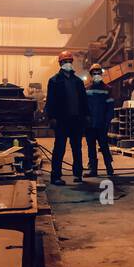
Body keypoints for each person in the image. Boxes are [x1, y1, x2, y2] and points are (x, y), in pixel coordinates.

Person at [44, 50, 88, 185]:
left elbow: (83, 101)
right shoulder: (54, 81)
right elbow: (50, 101)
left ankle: (78, 174)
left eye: (69, 61)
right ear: (60, 63)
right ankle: (56, 176)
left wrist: (86, 116)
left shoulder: (78, 82)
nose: (67, 64)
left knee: (77, 148)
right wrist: (51, 117)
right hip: (62, 120)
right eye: (65, 62)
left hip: (76, 120)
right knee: (59, 148)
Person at [84, 62, 116, 179]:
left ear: (101, 74)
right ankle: (93, 169)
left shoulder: (108, 89)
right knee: (91, 147)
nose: (96, 74)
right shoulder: (86, 89)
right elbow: (84, 107)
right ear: (91, 74)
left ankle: (109, 168)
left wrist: (107, 122)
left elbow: (110, 108)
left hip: (101, 124)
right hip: (90, 125)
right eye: (94, 73)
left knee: (104, 146)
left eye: (98, 72)